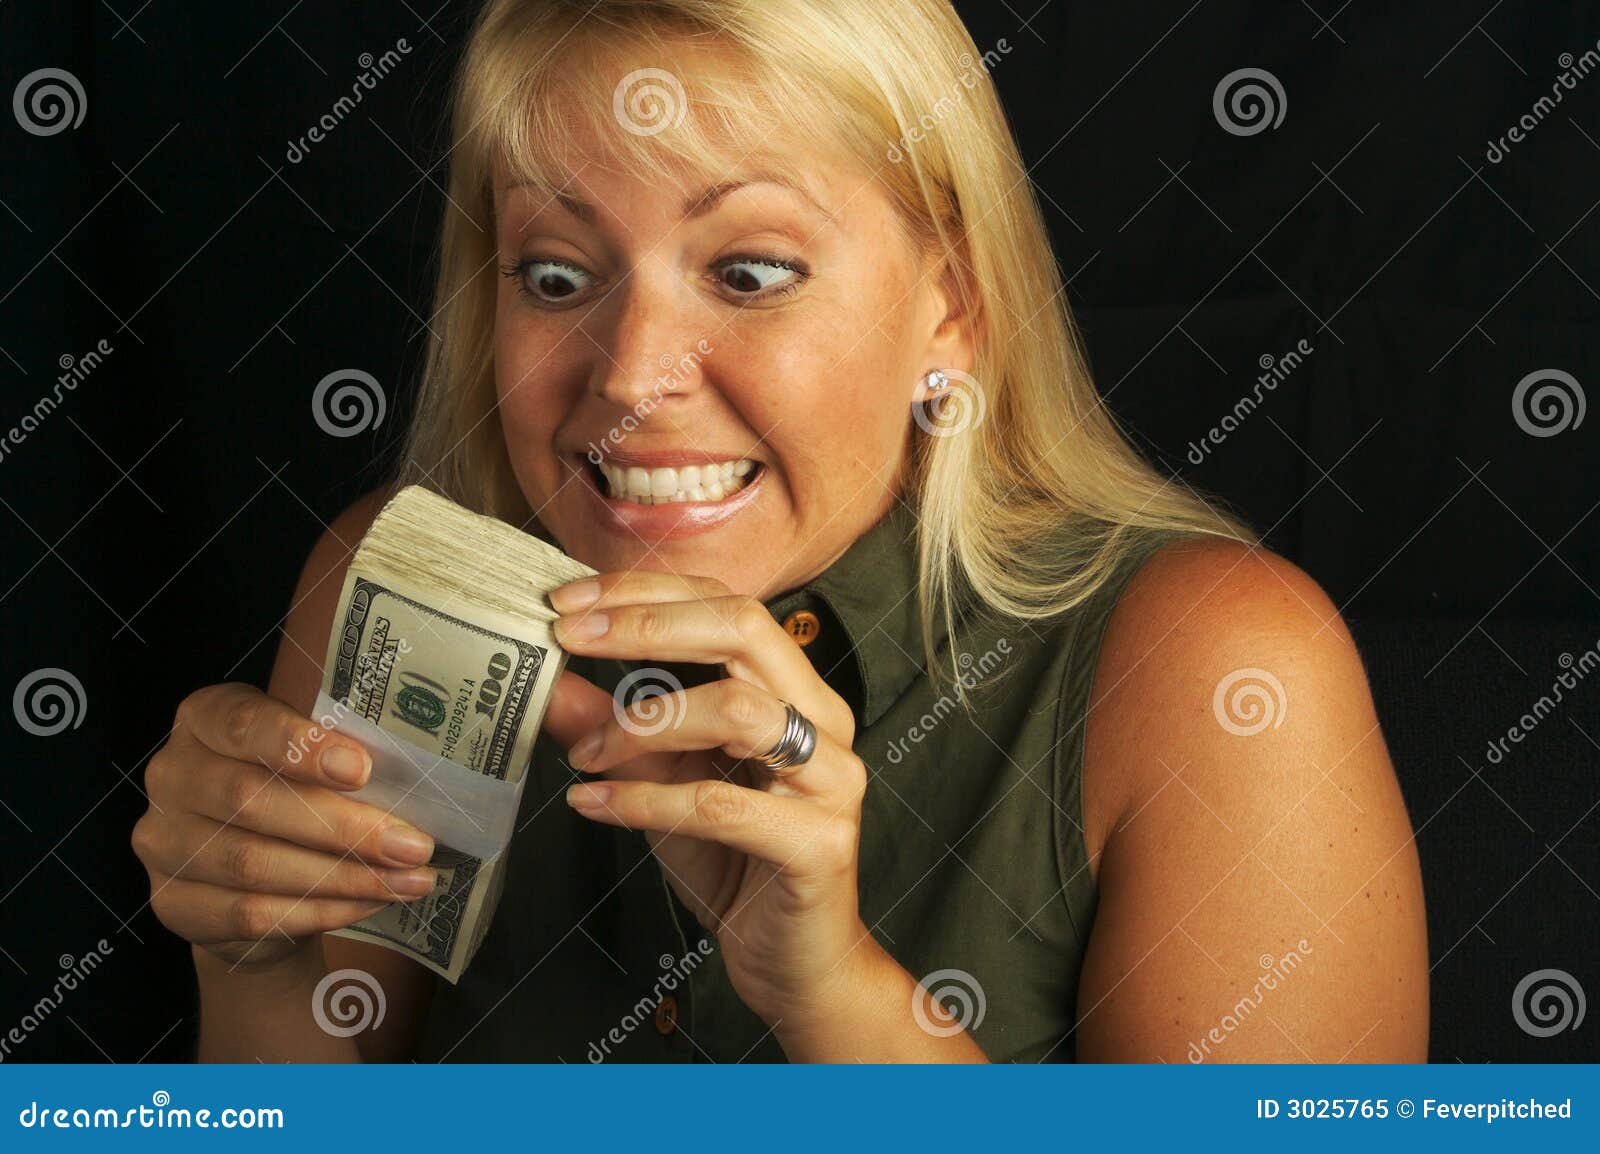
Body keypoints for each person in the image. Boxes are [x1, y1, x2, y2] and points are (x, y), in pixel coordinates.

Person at [132, 0, 1428, 1063]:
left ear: (951, 312)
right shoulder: (396, 589)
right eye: (556, 274)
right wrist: (261, 951)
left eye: (748, 271)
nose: (631, 374)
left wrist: (838, 996)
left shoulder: (1212, 671)